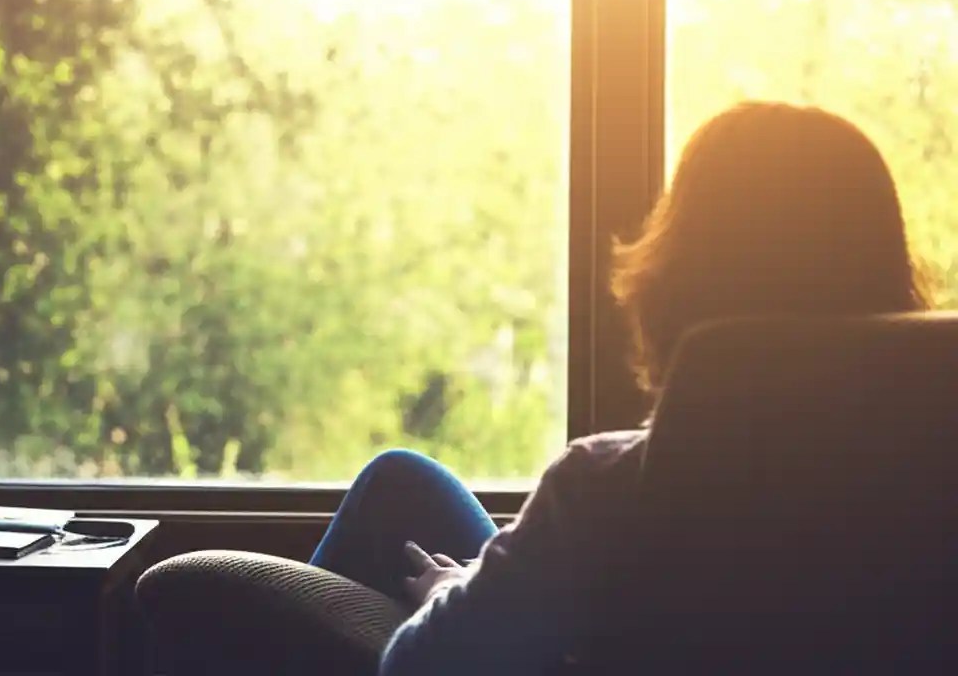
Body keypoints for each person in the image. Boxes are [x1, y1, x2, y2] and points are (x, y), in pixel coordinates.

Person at [305, 102, 932, 675]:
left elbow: (416, 669)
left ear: (680, 279)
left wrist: (450, 598)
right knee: (401, 484)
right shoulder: (927, 486)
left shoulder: (610, 491)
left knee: (214, 588)